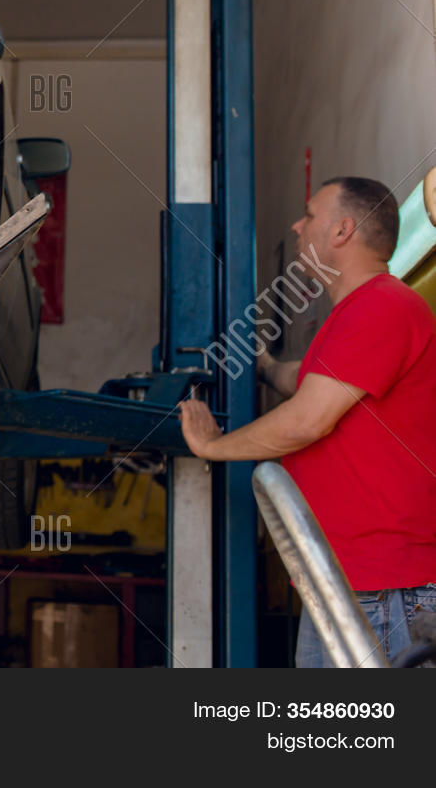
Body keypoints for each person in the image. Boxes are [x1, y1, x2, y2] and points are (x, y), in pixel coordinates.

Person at [178, 177, 436, 666]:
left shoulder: (383, 306)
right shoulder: (356, 314)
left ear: (342, 230)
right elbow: (309, 383)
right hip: (350, 585)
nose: (298, 224)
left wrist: (213, 445)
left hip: (385, 591)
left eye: (310, 215)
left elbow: (307, 421)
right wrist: (263, 364)